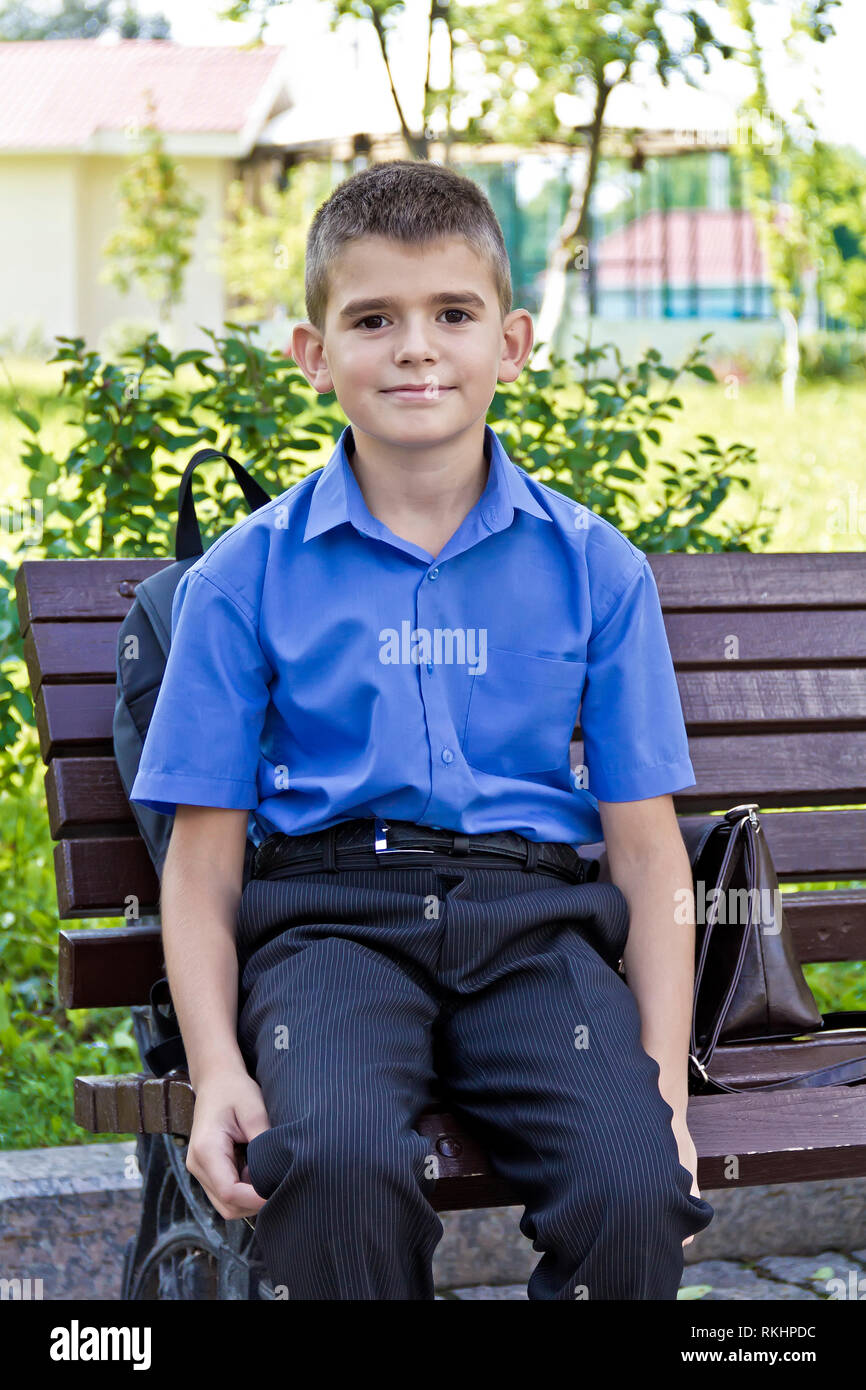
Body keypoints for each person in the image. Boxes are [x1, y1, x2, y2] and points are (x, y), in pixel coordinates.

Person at [130, 158, 714, 1301]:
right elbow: (201, 866)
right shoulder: (241, 580)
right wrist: (213, 1068)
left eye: (451, 313)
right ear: (313, 355)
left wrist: (668, 1102)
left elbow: (646, 851)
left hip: (533, 928)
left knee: (633, 1186)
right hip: (328, 932)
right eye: (372, 318)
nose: (414, 347)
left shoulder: (594, 567)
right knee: (331, 1160)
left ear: (510, 343)